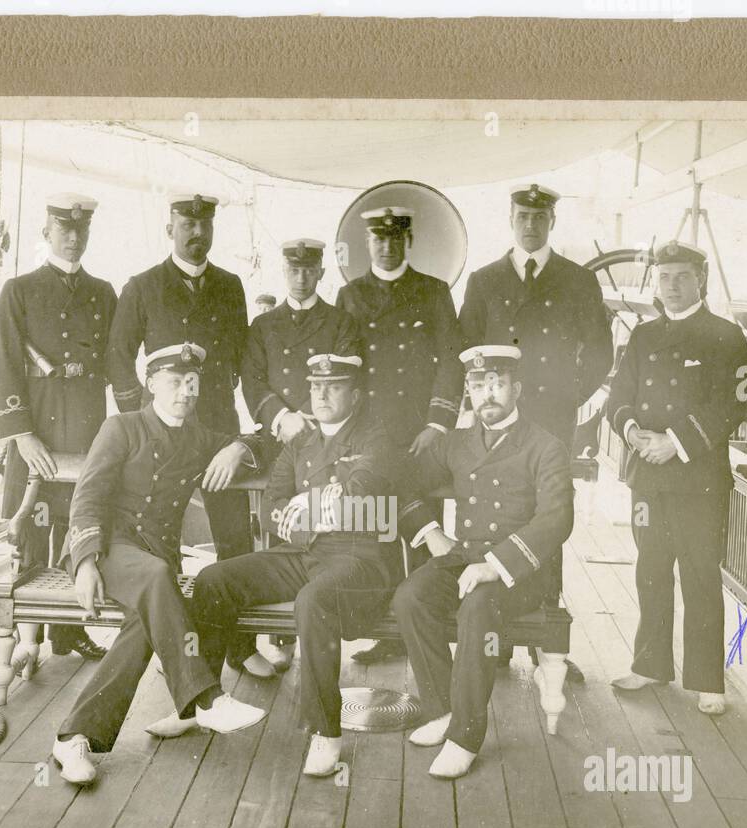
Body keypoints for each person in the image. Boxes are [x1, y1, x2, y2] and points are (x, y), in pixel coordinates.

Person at [48, 343, 267, 785]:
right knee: (157, 577)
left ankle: (73, 738)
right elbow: (87, 498)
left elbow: (268, 442)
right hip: (108, 548)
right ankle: (205, 699)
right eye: (174, 382)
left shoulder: (199, 439)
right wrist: (86, 563)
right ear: (151, 385)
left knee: (145, 619)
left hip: (153, 565)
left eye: (192, 382)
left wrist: (238, 447)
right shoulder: (122, 427)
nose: (185, 391)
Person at [180, 353, 403, 776]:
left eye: (333, 386)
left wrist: (307, 509)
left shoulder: (375, 436)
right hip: (302, 552)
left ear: (354, 394)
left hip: (358, 560)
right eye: (315, 387)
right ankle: (197, 702)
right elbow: (272, 508)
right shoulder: (300, 441)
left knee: (313, 600)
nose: (320, 394)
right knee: (213, 580)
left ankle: (325, 731)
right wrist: (312, 512)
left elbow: (365, 498)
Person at [392, 345, 574, 779]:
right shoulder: (456, 442)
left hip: (523, 571)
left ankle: (464, 736)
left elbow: (557, 517)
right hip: (464, 557)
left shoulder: (545, 446)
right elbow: (404, 482)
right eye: (477, 385)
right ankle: (438, 710)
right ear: (468, 393)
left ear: (517, 388)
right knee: (409, 598)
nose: (486, 394)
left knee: (477, 608)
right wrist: (429, 532)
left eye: (496, 384)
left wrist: (497, 564)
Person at [105, 192, 259, 667]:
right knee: (154, 538)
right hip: (162, 432)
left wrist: (238, 436)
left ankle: (240, 647)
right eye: (187, 225)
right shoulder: (142, 286)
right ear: (168, 228)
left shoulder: (231, 286)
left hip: (215, 431)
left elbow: (240, 355)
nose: (197, 234)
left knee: (234, 540)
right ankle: (162, 645)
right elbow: (117, 355)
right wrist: (140, 419)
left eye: (204, 226)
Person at [605, 241, 747, 715]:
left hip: (699, 480)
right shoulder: (644, 336)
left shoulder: (726, 336)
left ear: (701, 281)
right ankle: (649, 665)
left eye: (681, 276)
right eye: (664, 276)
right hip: (647, 476)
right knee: (650, 571)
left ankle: (709, 680)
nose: (671, 285)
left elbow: (733, 405)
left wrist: (676, 442)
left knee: (699, 574)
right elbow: (618, 397)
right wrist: (631, 431)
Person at [0, 191, 121, 664]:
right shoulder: (18, 291)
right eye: (64, 229)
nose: (73, 237)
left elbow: (116, 361)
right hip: (36, 429)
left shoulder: (103, 293)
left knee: (75, 526)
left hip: (87, 429)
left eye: (81, 230)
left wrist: (129, 425)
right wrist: (22, 435)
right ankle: (28, 638)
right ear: (46, 233)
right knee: (31, 531)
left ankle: (68, 634)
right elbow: (2, 366)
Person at [337, 205, 463, 664]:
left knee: (426, 524)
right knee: (378, 529)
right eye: (377, 239)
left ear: (407, 243)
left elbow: (452, 360)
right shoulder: (349, 295)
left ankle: (427, 628)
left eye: (394, 239)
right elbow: (345, 368)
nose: (386, 247)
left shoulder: (433, 292)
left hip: (420, 434)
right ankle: (389, 632)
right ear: (367, 243)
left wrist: (437, 423)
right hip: (371, 434)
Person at [239, 238, 362, 676]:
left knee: (322, 531)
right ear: (284, 271)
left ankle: (302, 633)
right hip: (281, 438)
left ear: (321, 274)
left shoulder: (340, 321)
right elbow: (252, 382)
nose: (301, 277)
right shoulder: (264, 325)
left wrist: (310, 418)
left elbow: (346, 378)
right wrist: (281, 416)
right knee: (283, 532)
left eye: (309, 270)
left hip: (323, 440)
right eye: (294, 270)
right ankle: (281, 636)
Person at [456, 183, 613, 451]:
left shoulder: (579, 280)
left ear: (553, 221)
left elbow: (600, 352)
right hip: (497, 416)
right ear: (510, 220)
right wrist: (483, 399)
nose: (531, 224)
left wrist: (571, 395)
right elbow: (465, 347)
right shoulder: (484, 280)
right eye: (523, 216)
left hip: (553, 418)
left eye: (540, 217)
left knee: (551, 491)